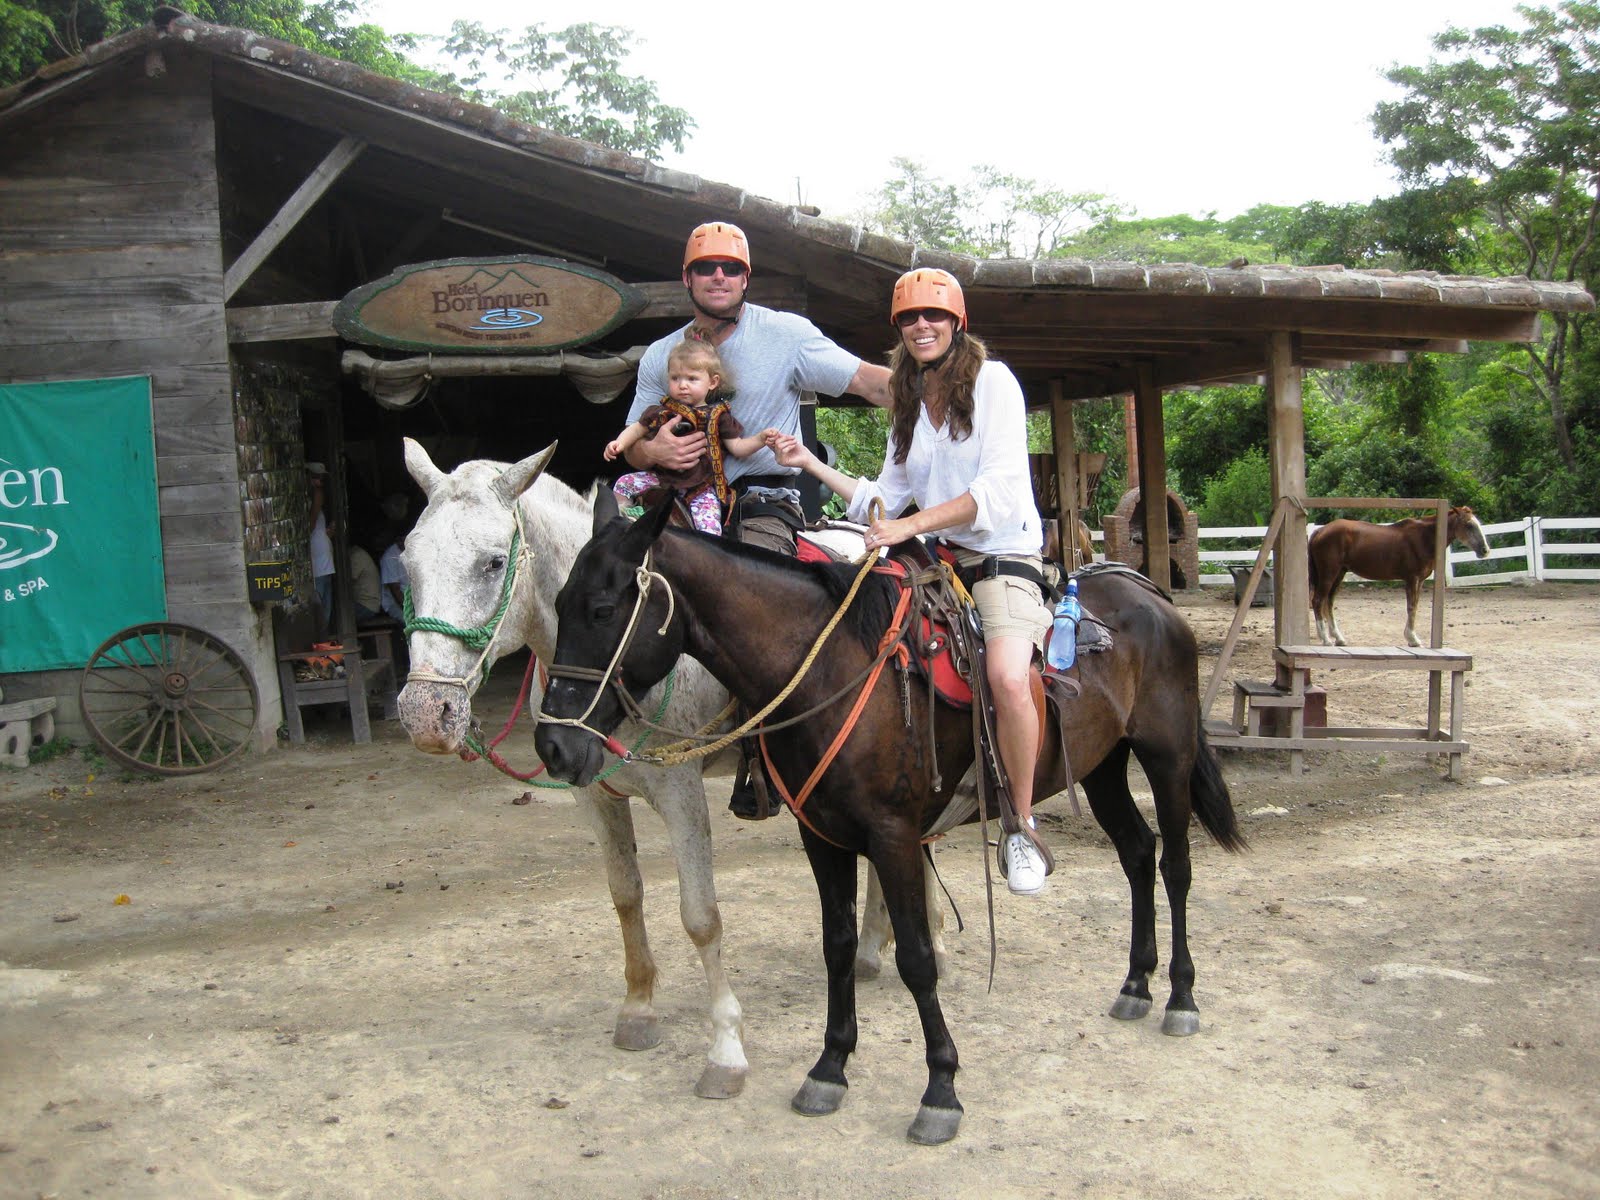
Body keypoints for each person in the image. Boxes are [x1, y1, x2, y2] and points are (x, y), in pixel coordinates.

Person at [768, 268, 1054, 895]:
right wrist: (809, 462)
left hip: (1001, 555)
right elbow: (887, 500)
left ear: (957, 323)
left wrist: (908, 527)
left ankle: (1021, 824)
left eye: (935, 315)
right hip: (938, 557)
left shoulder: (993, 383)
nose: (922, 325)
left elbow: (999, 492)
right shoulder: (909, 403)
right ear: (898, 328)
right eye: (909, 317)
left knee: (1008, 675)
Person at [623, 221, 893, 819]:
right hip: (680, 496)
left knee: (756, 605)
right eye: (706, 268)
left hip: (764, 495)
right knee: (618, 581)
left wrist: (945, 389)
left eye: (731, 268)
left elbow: (868, 381)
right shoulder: (660, 355)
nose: (718, 277)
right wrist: (655, 453)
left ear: (746, 278)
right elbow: (633, 441)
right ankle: (613, 716)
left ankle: (758, 751)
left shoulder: (786, 334)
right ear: (686, 279)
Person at [605, 337, 769, 535]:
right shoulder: (661, 412)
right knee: (623, 484)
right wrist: (619, 443)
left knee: (709, 529)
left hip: (701, 487)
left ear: (712, 382)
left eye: (692, 379)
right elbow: (638, 429)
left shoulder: (718, 416)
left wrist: (761, 439)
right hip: (663, 479)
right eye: (675, 378)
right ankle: (626, 523)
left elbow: (738, 447)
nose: (682, 385)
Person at [307, 462, 335, 635]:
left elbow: (311, 524)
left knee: (321, 599)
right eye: (316, 477)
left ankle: (322, 637)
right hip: (321, 553)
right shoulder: (314, 494)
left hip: (319, 555)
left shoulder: (317, 494)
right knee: (322, 598)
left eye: (321, 477)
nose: (320, 480)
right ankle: (322, 636)